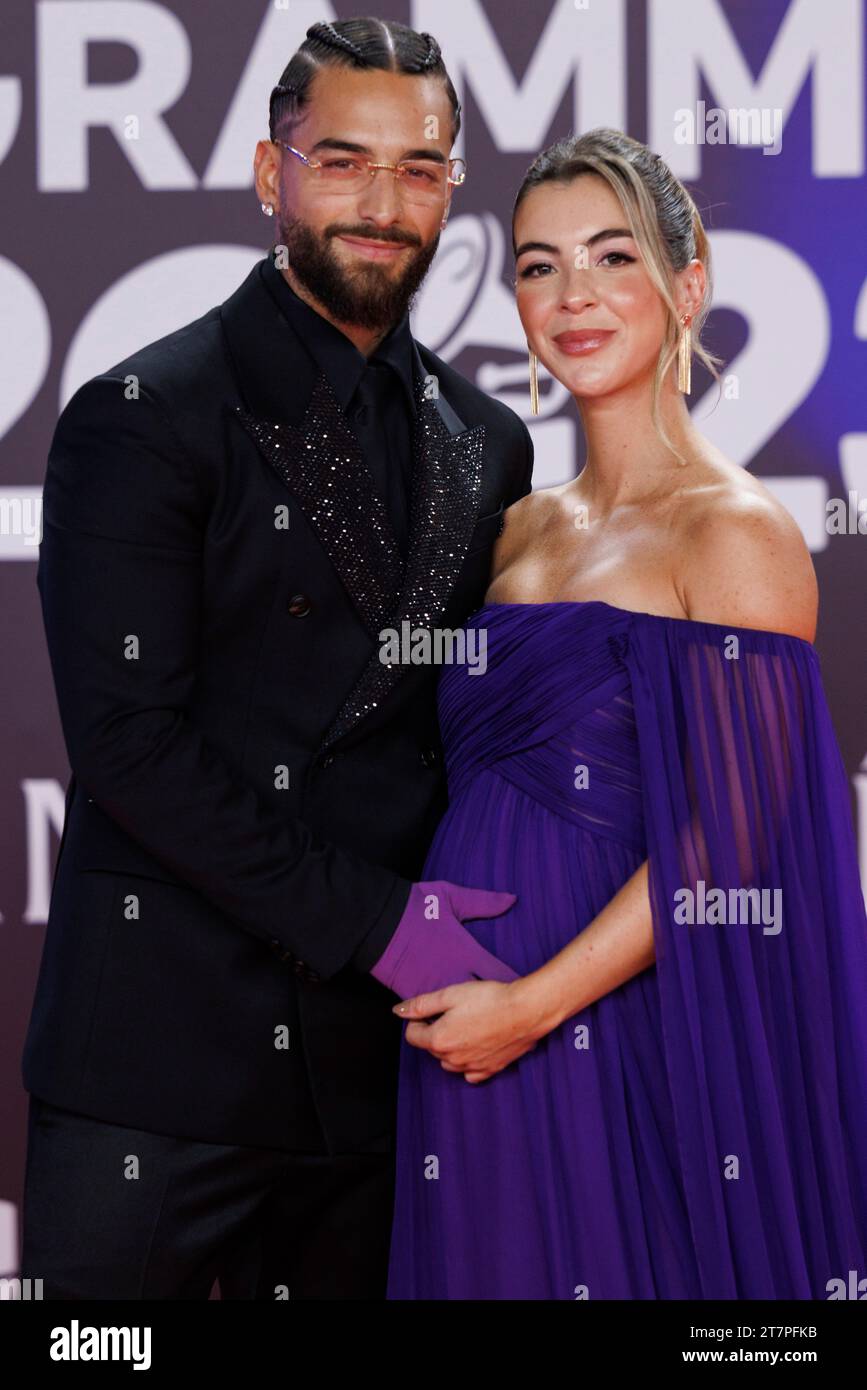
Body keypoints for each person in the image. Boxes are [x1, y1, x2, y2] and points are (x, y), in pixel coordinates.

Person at [20, 17, 529, 1300]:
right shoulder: (145, 416)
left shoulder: (488, 440)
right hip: (159, 1075)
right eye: (343, 160)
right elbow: (130, 746)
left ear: (452, 189)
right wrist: (380, 925)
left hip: (385, 1082)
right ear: (270, 174)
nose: (383, 205)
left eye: (420, 168)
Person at [386, 128, 867, 1300]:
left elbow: (729, 840)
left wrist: (532, 1006)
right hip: (463, 1021)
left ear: (688, 284)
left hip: (619, 1016)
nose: (573, 295)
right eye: (539, 265)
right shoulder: (513, 529)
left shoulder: (736, 532)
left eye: (613, 256)